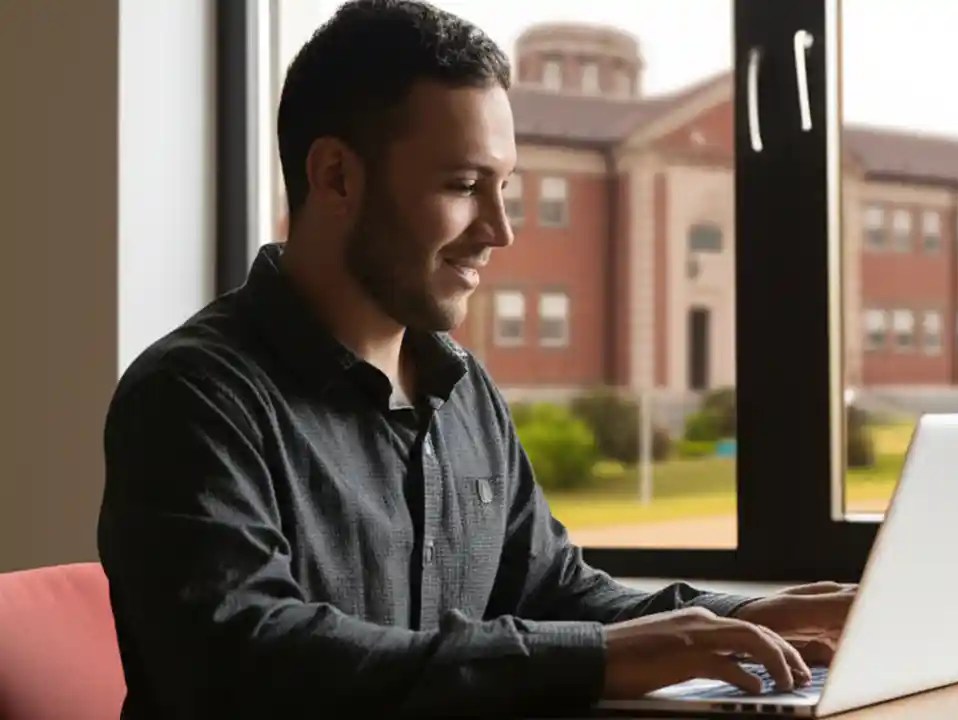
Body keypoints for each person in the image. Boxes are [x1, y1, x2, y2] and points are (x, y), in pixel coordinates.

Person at [97, 1, 855, 717]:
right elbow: (249, 660)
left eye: (505, 189)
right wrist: (591, 659)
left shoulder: (460, 387)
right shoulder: (192, 396)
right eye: (464, 186)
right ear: (335, 177)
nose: (499, 230)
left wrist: (743, 616)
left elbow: (552, 592)